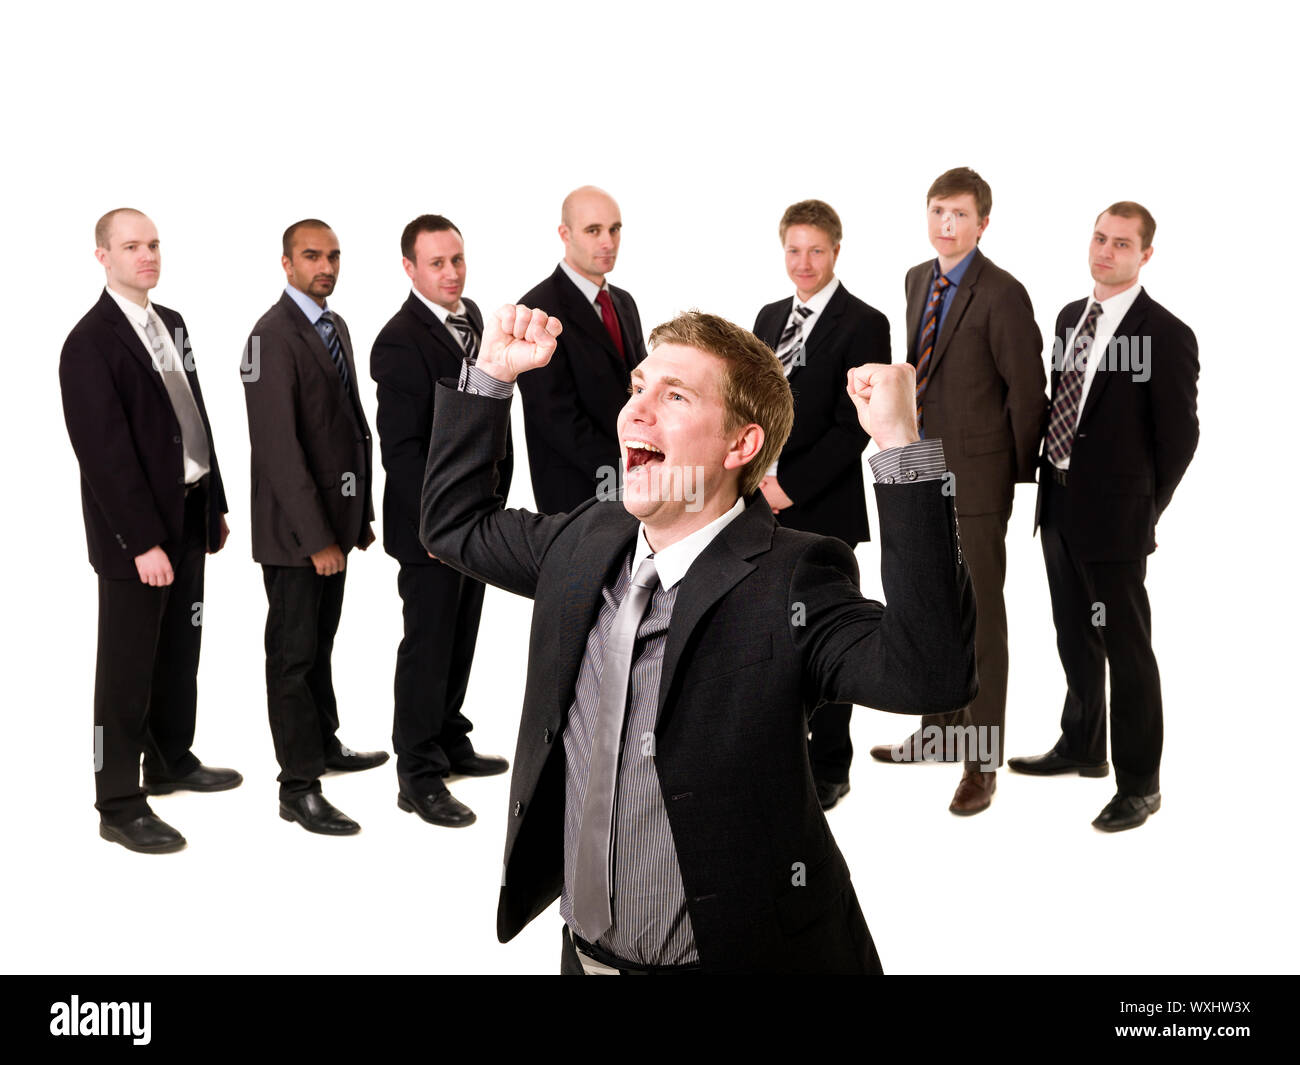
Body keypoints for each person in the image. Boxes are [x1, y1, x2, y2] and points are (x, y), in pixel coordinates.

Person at [421, 303, 976, 973]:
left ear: (739, 445)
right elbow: (452, 526)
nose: (636, 411)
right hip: (585, 958)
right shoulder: (584, 540)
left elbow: (930, 674)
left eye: (674, 395)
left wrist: (900, 448)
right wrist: (490, 376)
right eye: (637, 388)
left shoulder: (793, 576)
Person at [1009, 202, 1199, 832]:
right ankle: (1082, 745)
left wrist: (1145, 508)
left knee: (1128, 648)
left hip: (1116, 517)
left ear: (1146, 255)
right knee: (1073, 633)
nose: (1106, 251)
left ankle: (1140, 784)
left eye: (1122, 243)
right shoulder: (1071, 317)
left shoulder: (1165, 333)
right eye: (1099, 238)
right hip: (1057, 500)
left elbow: (1179, 439)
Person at [59, 207, 240, 854]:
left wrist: (213, 499)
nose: (147, 255)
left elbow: (193, 415)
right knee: (125, 669)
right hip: (137, 534)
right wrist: (141, 542)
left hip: (190, 510)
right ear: (103, 256)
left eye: (154, 244)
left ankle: (169, 759)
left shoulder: (174, 323)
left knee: (179, 652)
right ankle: (117, 799)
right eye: (131, 245)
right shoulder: (89, 343)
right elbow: (103, 456)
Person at [870, 167, 1047, 816]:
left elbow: (1028, 394)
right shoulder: (919, 278)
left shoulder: (1002, 293)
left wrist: (1014, 475)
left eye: (959, 215)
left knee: (983, 620)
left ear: (982, 223)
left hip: (978, 477)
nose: (946, 224)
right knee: (932, 602)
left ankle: (982, 759)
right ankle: (941, 727)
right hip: (923, 466)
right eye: (937, 211)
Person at [242, 218, 386, 836]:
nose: (324, 266)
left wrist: (359, 518)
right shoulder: (270, 338)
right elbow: (280, 449)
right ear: (285, 263)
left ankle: (324, 743)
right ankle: (297, 786)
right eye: (311, 256)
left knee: (320, 646)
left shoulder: (334, 326)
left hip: (336, 524)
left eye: (332, 256)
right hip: (297, 536)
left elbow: (348, 425)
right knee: (293, 657)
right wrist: (318, 539)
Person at [370, 214, 511, 829]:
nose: (451, 273)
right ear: (410, 269)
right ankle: (417, 773)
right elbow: (400, 450)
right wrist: (436, 523)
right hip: (430, 528)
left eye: (457, 259)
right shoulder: (398, 341)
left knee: (463, 632)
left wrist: (488, 503)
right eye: (436, 264)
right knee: (428, 643)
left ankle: (449, 736)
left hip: (475, 516)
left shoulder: (472, 318)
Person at [751, 199, 891, 811]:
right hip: (757, 500)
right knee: (770, 635)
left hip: (821, 505)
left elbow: (852, 426)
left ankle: (831, 762)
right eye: (793, 250)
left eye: (815, 250)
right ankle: (777, 754)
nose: (803, 262)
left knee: (828, 635)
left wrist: (789, 486)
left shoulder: (865, 322)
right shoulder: (767, 315)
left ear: (835, 252)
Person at [517, 186, 647, 512]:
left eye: (614, 229)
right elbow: (556, 419)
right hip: (577, 495)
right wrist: (627, 471)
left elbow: (640, 389)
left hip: (632, 485)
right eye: (593, 230)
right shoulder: (537, 310)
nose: (608, 241)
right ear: (565, 234)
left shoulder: (623, 302)